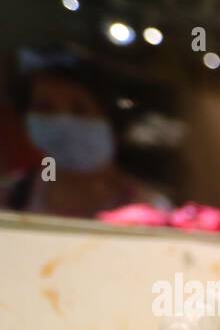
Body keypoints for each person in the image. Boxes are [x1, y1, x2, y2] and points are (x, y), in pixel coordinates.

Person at [4, 48, 169, 217]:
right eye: (45, 108)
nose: (62, 123)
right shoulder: (9, 197)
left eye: (79, 109)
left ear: (113, 122)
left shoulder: (150, 208)